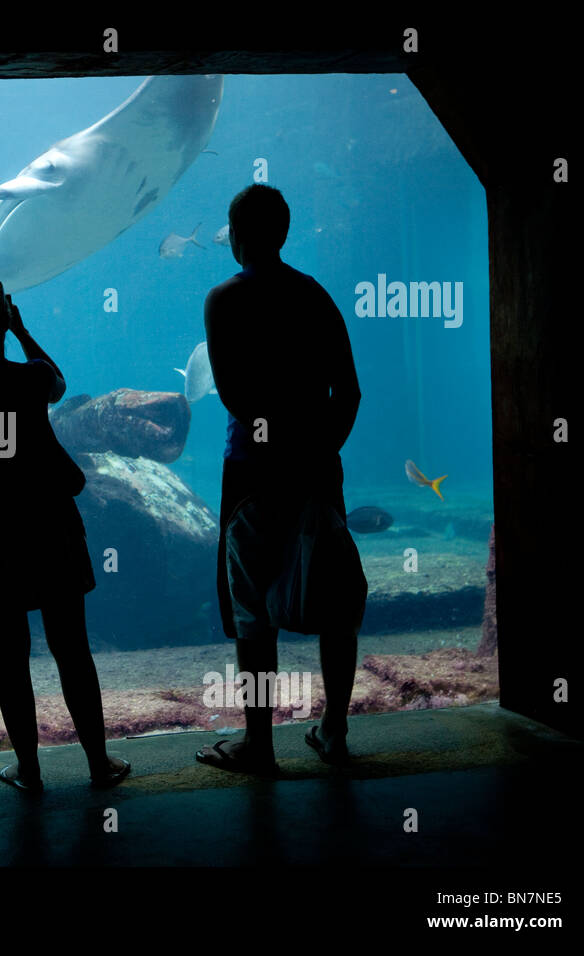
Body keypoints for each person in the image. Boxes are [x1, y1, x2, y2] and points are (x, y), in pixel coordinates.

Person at [0, 278, 131, 792]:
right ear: (7, 317)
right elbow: (59, 381)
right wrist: (20, 330)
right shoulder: (32, 378)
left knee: (8, 652)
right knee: (71, 647)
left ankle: (30, 767)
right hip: (47, 518)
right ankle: (97, 763)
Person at [196, 185, 362, 773]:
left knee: (252, 614)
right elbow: (349, 392)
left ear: (235, 236)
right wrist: (317, 454)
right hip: (318, 471)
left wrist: (276, 454)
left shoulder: (224, 300)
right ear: (284, 234)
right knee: (337, 599)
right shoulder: (315, 296)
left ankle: (259, 743)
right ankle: (333, 730)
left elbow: (238, 398)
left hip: (252, 477)